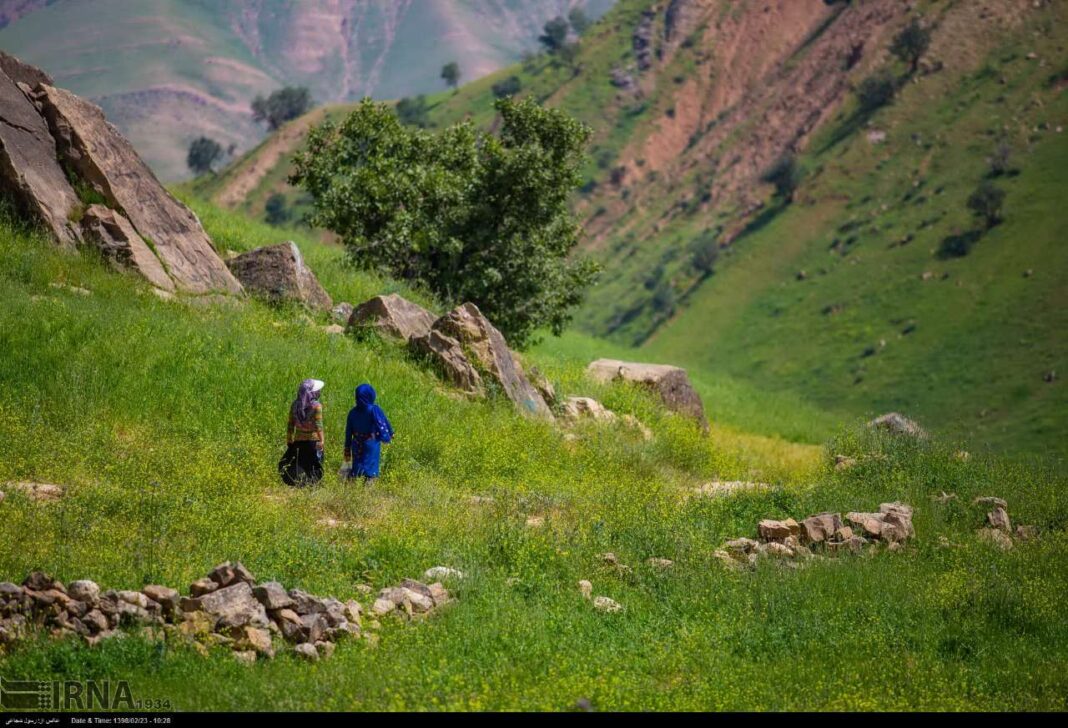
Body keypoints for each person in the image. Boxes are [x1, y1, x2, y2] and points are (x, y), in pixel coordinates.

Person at [278, 378, 325, 486]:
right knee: (313, 464)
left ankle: (300, 483)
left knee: (301, 464)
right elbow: (319, 426)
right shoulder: (316, 406)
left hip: (298, 441)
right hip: (313, 441)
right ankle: (312, 484)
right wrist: (322, 441)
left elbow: (290, 424)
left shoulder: (295, 404)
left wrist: (289, 438)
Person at [344, 383, 394, 482]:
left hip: (357, 444)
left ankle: (353, 490)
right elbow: (383, 421)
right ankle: (368, 492)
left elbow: (348, 432)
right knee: (371, 470)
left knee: (357, 468)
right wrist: (390, 433)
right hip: (371, 443)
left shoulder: (352, 412)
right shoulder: (373, 410)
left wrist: (347, 447)